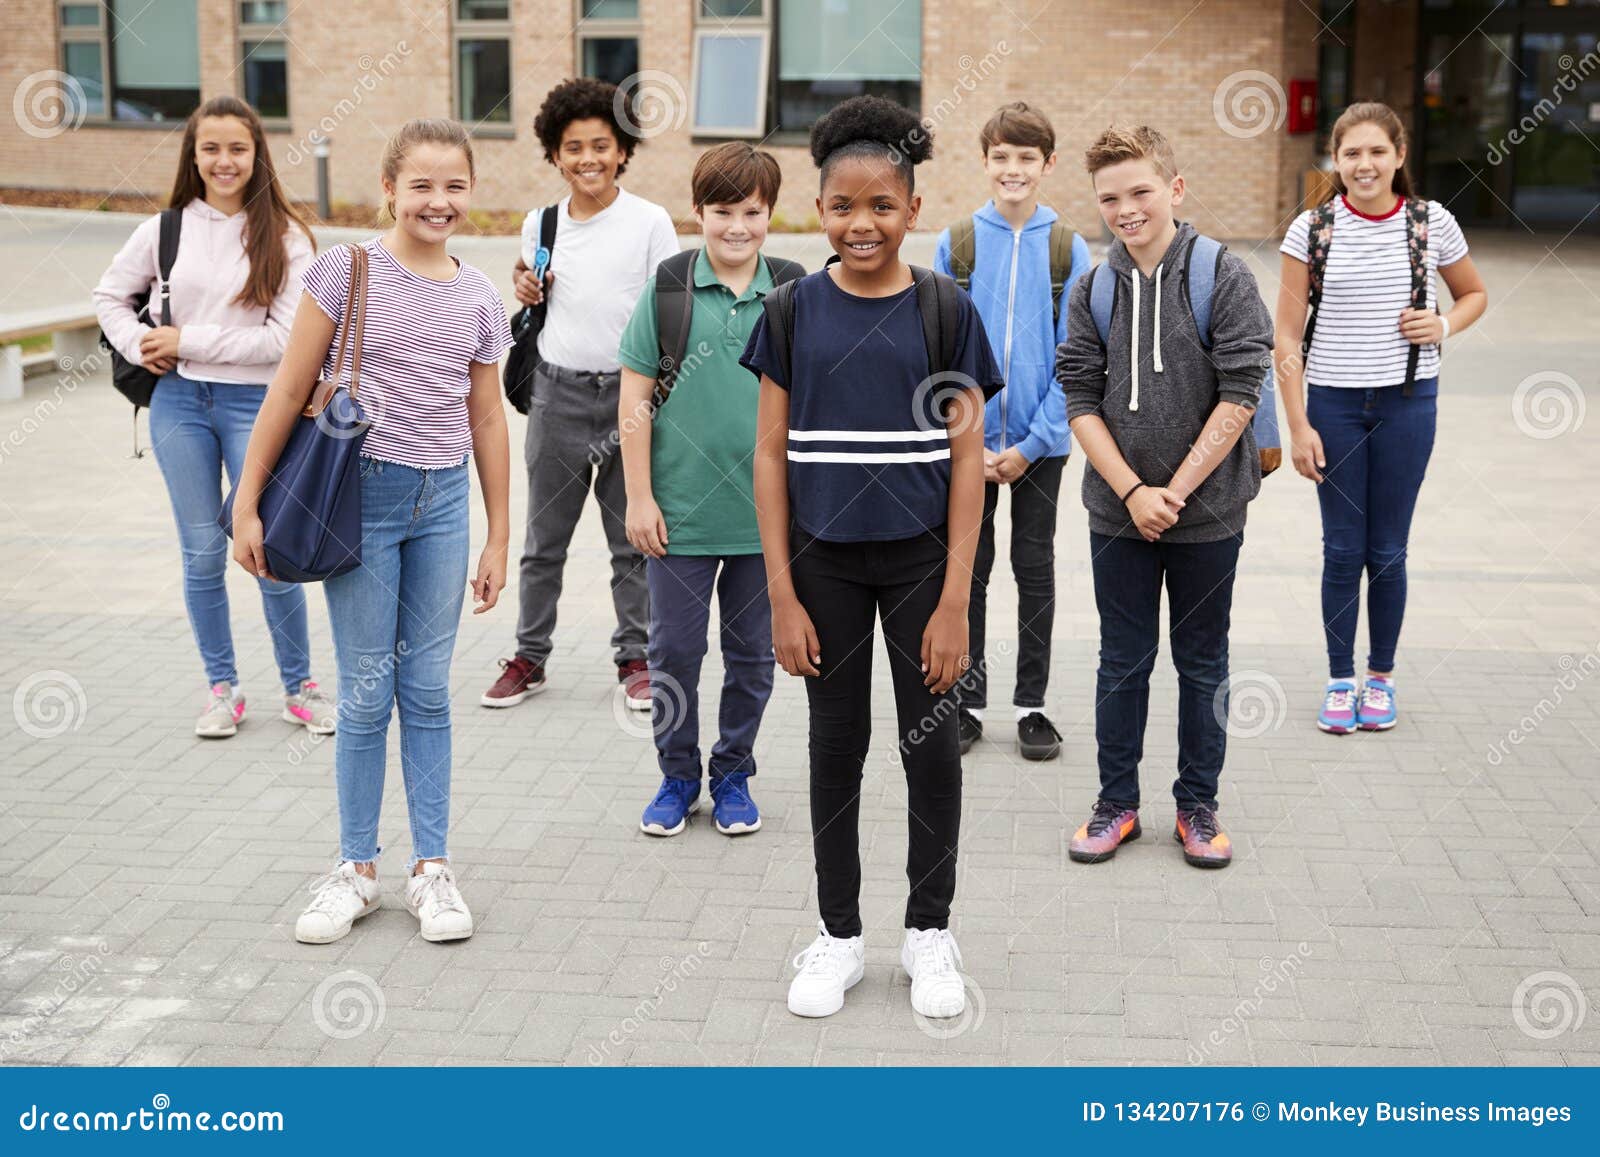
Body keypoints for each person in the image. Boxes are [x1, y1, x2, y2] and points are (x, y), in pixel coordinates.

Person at [741, 96, 1002, 1020]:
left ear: (913, 209)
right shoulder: (788, 311)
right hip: (822, 567)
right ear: (819, 209)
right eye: (843, 206)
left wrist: (957, 600)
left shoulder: (945, 310)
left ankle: (930, 932)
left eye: (882, 206)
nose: (862, 224)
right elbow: (769, 455)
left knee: (930, 751)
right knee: (834, 744)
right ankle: (839, 934)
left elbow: (970, 456)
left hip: (925, 565)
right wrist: (780, 593)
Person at [230, 119, 512, 945]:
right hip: (360, 499)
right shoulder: (345, 269)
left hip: (444, 505)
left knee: (425, 690)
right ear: (389, 188)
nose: (438, 200)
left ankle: (433, 870)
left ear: (470, 192)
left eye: (453, 185)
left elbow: (487, 415)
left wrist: (498, 536)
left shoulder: (481, 296)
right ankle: (355, 869)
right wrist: (246, 504)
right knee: (363, 692)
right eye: (420, 185)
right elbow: (286, 392)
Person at [1056, 125, 1274, 870]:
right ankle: (1116, 801)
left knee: (1203, 662)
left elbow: (1243, 390)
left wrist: (1173, 492)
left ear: (1174, 189)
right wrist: (1131, 491)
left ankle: (1197, 805)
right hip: (1117, 513)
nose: (1126, 209)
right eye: (1110, 197)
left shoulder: (1224, 275)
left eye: (1141, 191)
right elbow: (1078, 395)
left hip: (1208, 512)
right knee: (1121, 659)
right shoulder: (1093, 286)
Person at [94, 95, 329, 740]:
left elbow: (285, 343)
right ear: (193, 155)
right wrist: (138, 344)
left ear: (258, 156)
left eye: (237, 149)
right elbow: (109, 296)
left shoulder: (286, 236)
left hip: (258, 405)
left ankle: (300, 686)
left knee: (266, 545)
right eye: (211, 148)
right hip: (180, 405)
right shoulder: (165, 229)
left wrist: (185, 339)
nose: (224, 161)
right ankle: (221, 688)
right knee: (202, 553)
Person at [1275, 102, 1486, 734]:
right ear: (1335, 161)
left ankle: (1381, 680)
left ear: (1399, 156)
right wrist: (1298, 426)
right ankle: (1341, 681)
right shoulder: (1311, 230)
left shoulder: (1430, 223)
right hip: (1334, 407)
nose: (1363, 165)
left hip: (1407, 403)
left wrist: (1443, 323)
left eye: (1376, 152)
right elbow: (1285, 338)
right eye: (1350, 154)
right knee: (1342, 550)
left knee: (1388, 551)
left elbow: (1473, 293)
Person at [481, 77, 680, 713]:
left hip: (631, 401)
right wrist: (526, 288)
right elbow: (536, 299)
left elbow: (670, 314)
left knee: (633, 541)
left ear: (623, 150)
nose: (588, 158)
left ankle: (635, 657)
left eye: (602, 145)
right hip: (557, 396)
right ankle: (529, 656)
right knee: (544, 543)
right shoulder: (539, 223)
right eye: (574, 147)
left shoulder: (650, 222)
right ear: (554, 155)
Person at [618, 143, 799, 838]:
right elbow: (634, 399)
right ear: (698, 212)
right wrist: (639, 496)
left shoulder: (790, 290)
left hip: (765, 519)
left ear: (769, 215)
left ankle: (732, 773)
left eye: (751, 211)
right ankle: (676, 775)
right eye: (722, 210)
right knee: (674, 654)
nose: (736, 226)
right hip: (678, 514)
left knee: (754, 655)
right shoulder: (669, 288)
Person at [933, 101, 1090, 760]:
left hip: (1041, 446)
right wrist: (972, 439)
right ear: (985, 161)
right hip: (968, 443)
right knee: (969, 569)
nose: (1013, 169)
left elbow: (1075, 357)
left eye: (1027, 158)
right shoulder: (958, 241)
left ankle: (1032, 704)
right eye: (1001, 157)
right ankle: (965, 701)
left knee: (1034, 567)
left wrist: (1029, 444)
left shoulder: (1068, 248)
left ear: (1047, 165)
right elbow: (941, 350)